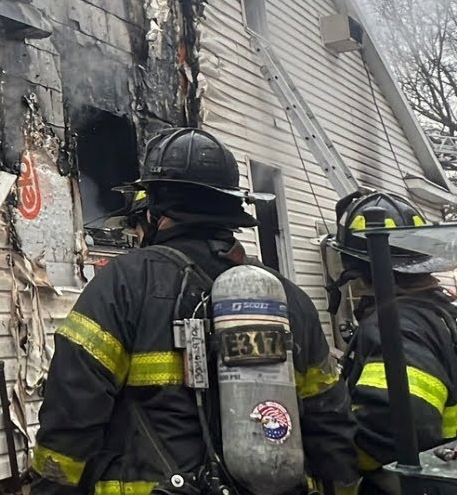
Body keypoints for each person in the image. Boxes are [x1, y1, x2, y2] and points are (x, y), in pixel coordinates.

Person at [32, 128, 360, 495]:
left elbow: (73, 409)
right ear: (230, 209)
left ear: (155, 211)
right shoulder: (288, 299)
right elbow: (330, 421)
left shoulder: (121, 285)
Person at [323, 190, 457, 495]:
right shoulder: (437, 312)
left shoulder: (395, 325)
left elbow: (397, 425)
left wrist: (329, 458)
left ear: (356, 269)